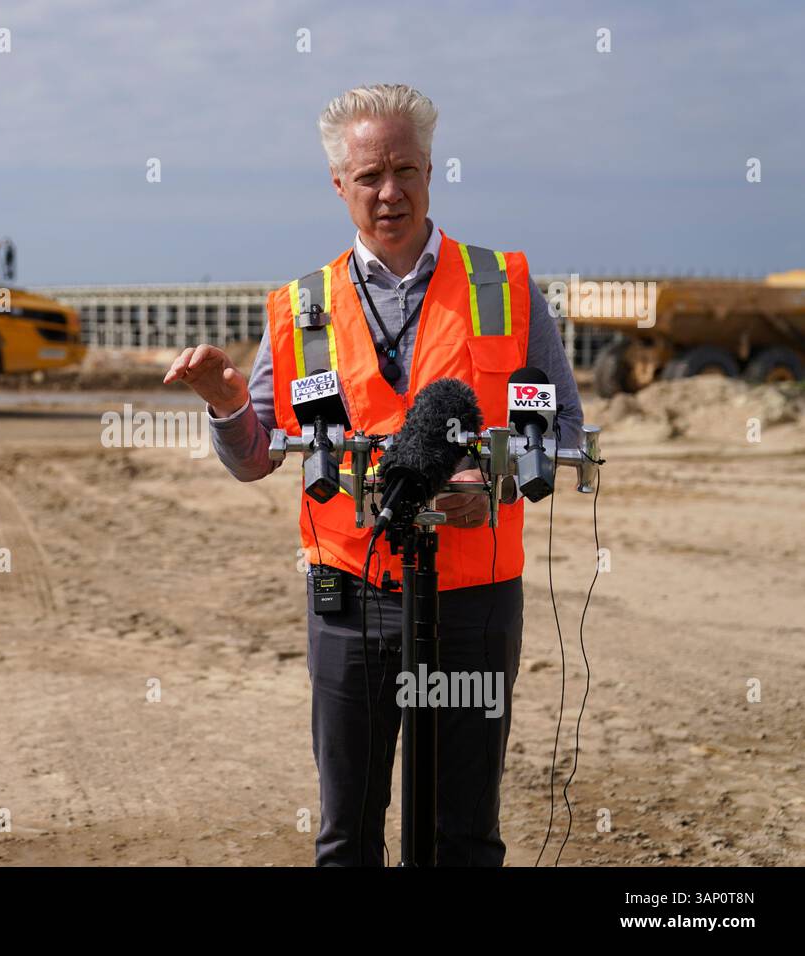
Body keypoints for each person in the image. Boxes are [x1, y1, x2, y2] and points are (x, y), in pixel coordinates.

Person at [163, 83, 584, 866]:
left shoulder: (506, 286)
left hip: (474, 600)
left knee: (462, 833)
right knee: (348, 833)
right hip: (349, 600)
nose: (389, 192)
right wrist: (225, 402)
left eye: (406, 170)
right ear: (339, 185)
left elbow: (562, 429)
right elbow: (258, 456)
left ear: (432, 171)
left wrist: (488, 489)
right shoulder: (299, 306)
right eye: (369, 177)